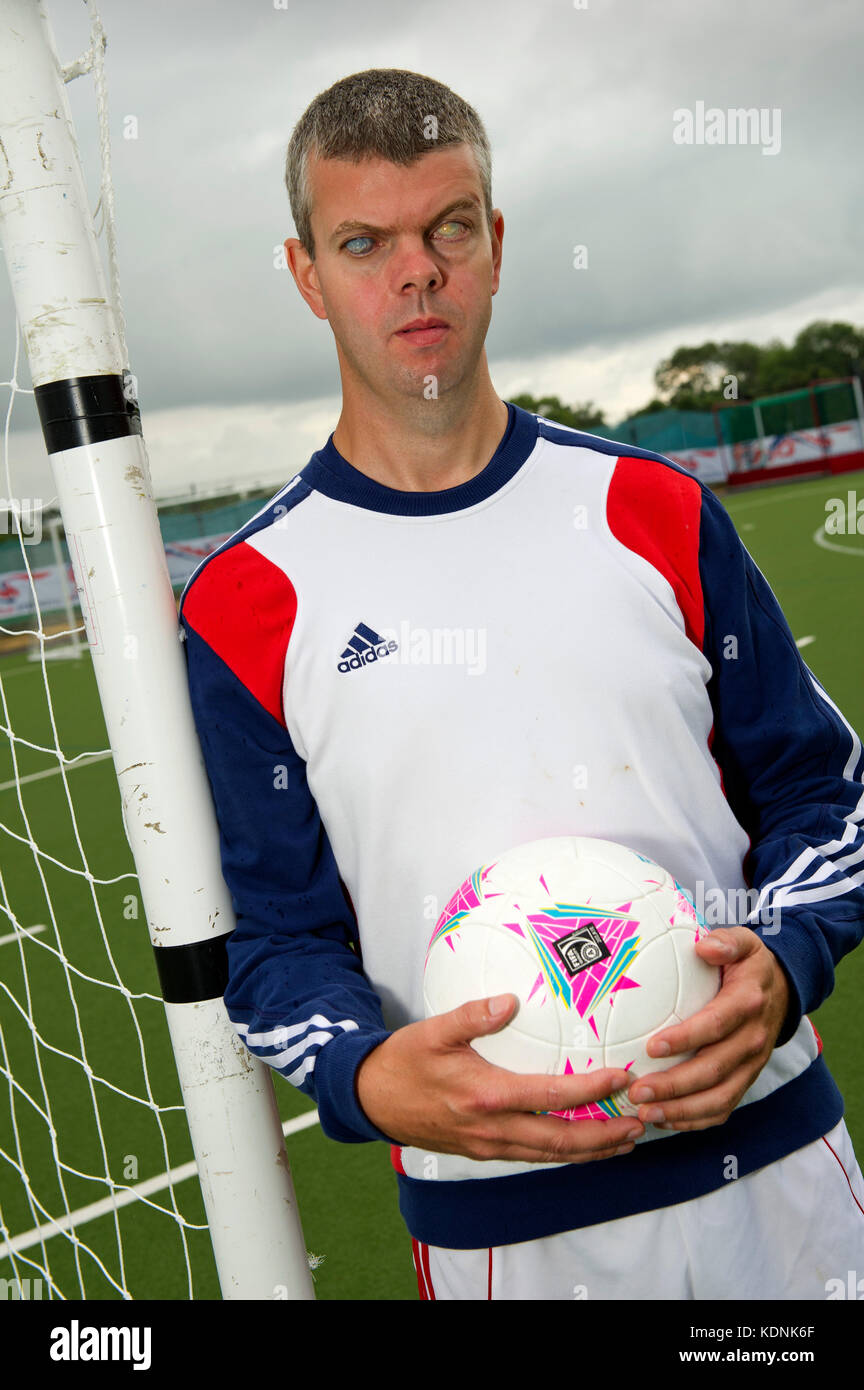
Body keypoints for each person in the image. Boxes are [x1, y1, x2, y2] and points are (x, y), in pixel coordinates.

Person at [178, 68, 864, 1300]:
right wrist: (364, 1073)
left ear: (494, 243)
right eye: (364, 242)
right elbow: (275, 938)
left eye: (448, 228)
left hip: (777, 1179)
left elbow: (826, 798)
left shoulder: (651, 510)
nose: (417, 273)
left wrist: (787, 956)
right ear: (306, 274)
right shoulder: (247, 602)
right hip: (507, 1234)